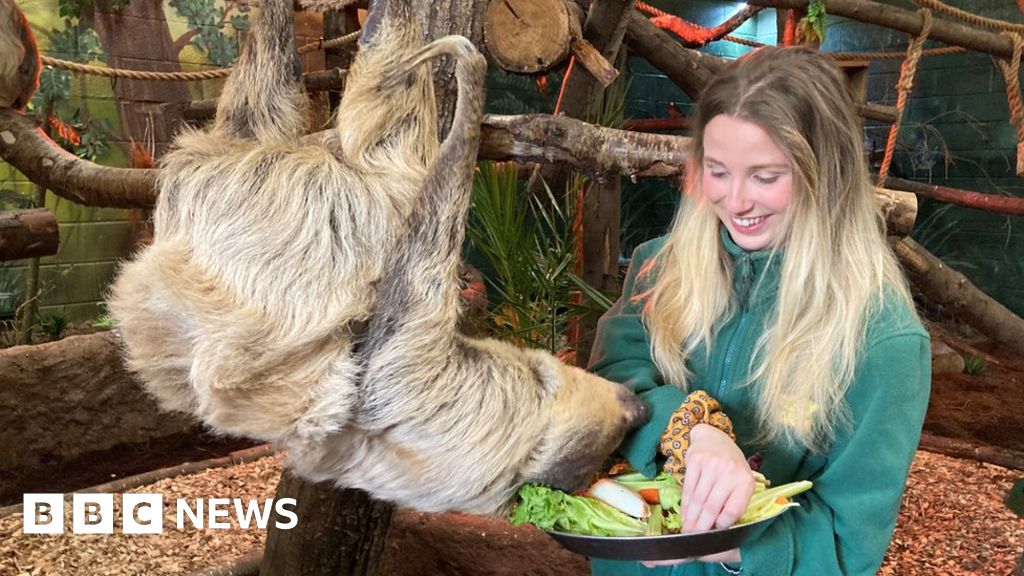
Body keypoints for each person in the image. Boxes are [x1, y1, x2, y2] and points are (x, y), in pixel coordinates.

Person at [588, 46, 931, 576]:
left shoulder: (884, 340)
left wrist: (736, 544)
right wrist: (690, 429)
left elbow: (849, 545)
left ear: (826, 174)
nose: (736, 201)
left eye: (766, 177)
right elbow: (611, 381)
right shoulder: (661, 266)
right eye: (718, 172)